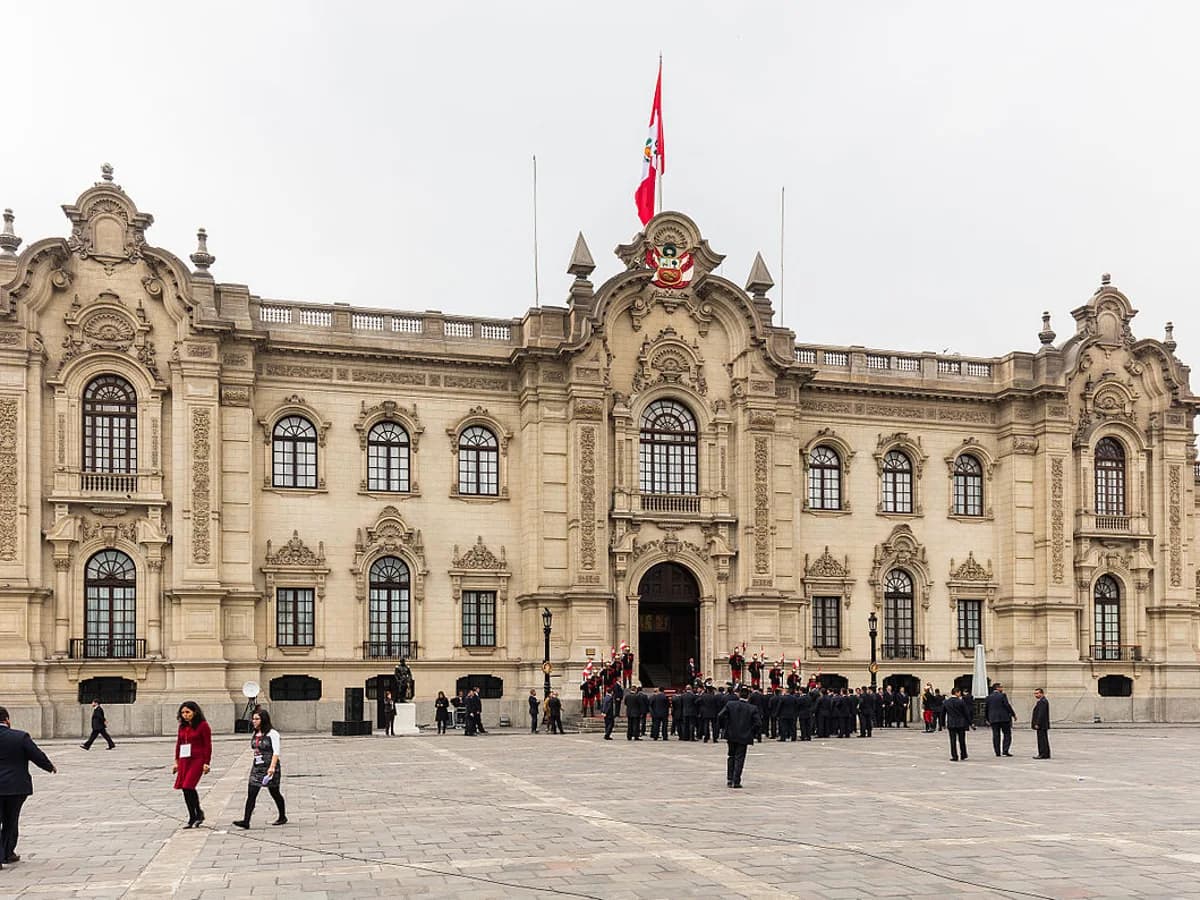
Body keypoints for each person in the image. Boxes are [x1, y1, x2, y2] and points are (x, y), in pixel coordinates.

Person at [0, 705, 56, 864]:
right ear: (7, 720)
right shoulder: (20, 736)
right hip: (15, 786)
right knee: (11, 820)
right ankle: (7, 853)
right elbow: (36, 755)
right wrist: (49, 766)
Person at [232, 707, 286, 828]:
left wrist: (272, 767)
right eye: (253, 719)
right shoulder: (255, 733)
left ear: (263, 720)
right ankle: (246, 820)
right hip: (257, 766)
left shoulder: (273, 734)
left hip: (269, 766)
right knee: (252, 793)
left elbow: (276, 752)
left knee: (274, 792)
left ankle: (282, 816)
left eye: (257, 719)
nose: (254, 721)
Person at [173, 701, 211, 829]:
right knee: (184, 788)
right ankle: (193, 815)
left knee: (189, 785)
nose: (185, 715)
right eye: (183, 713)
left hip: (197, 759)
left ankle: (198, 813)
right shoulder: (182, 727)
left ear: (195, 712)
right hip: (185, 759)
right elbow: (179, 744)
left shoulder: (203, 726)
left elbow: (207, 745)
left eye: (188, 712)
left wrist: (207, 762)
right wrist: (176, 761)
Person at [717, 687, 761, 789]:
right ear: (748, 696)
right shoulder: (752, 708)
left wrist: (724, 727)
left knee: (731, 756)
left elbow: (720, 716)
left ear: (739, 695)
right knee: (739, 758)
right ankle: (736, 780)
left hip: (731, 734)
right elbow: (758, 723)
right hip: (744, 736)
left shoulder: (730, 704)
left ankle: (729, 779)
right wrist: (751, 732)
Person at [984, 683, 1016, 757]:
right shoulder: (1002, 695)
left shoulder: (988, 697)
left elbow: (986, 708)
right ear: (997, 688)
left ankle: (997, 752)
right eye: (1001, 687)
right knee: (1007, 734)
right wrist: (1013, 714)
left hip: (993, 718)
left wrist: (987, 718)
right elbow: (1007, 705)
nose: (1002, 689)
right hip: (1004, 718)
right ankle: (1005, 750)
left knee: (996, 735)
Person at [944, 687, 973, 762]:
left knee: (952, 741)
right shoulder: (961, 702)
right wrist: (970, 723)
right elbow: (966, 713)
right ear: (957, 693)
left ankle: (954, 756)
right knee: (962, 740)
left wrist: (942, 723)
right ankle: (963, 754)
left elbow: (943, 713)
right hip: (961, 723)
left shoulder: (946, 702)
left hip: (951, 723)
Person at [1031, 688, 1051, 759]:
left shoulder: (1042, 702)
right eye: (1035, 693)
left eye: (1037, 693)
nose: (1036, 695)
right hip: (1043, 724)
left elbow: (1041, 714)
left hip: (1041, 724)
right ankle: (1045, 753)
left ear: (1041, 693)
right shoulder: (1043, 701)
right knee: (1044, 739)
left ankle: (1042, 753)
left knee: (1042, 740)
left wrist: (1037, 723)